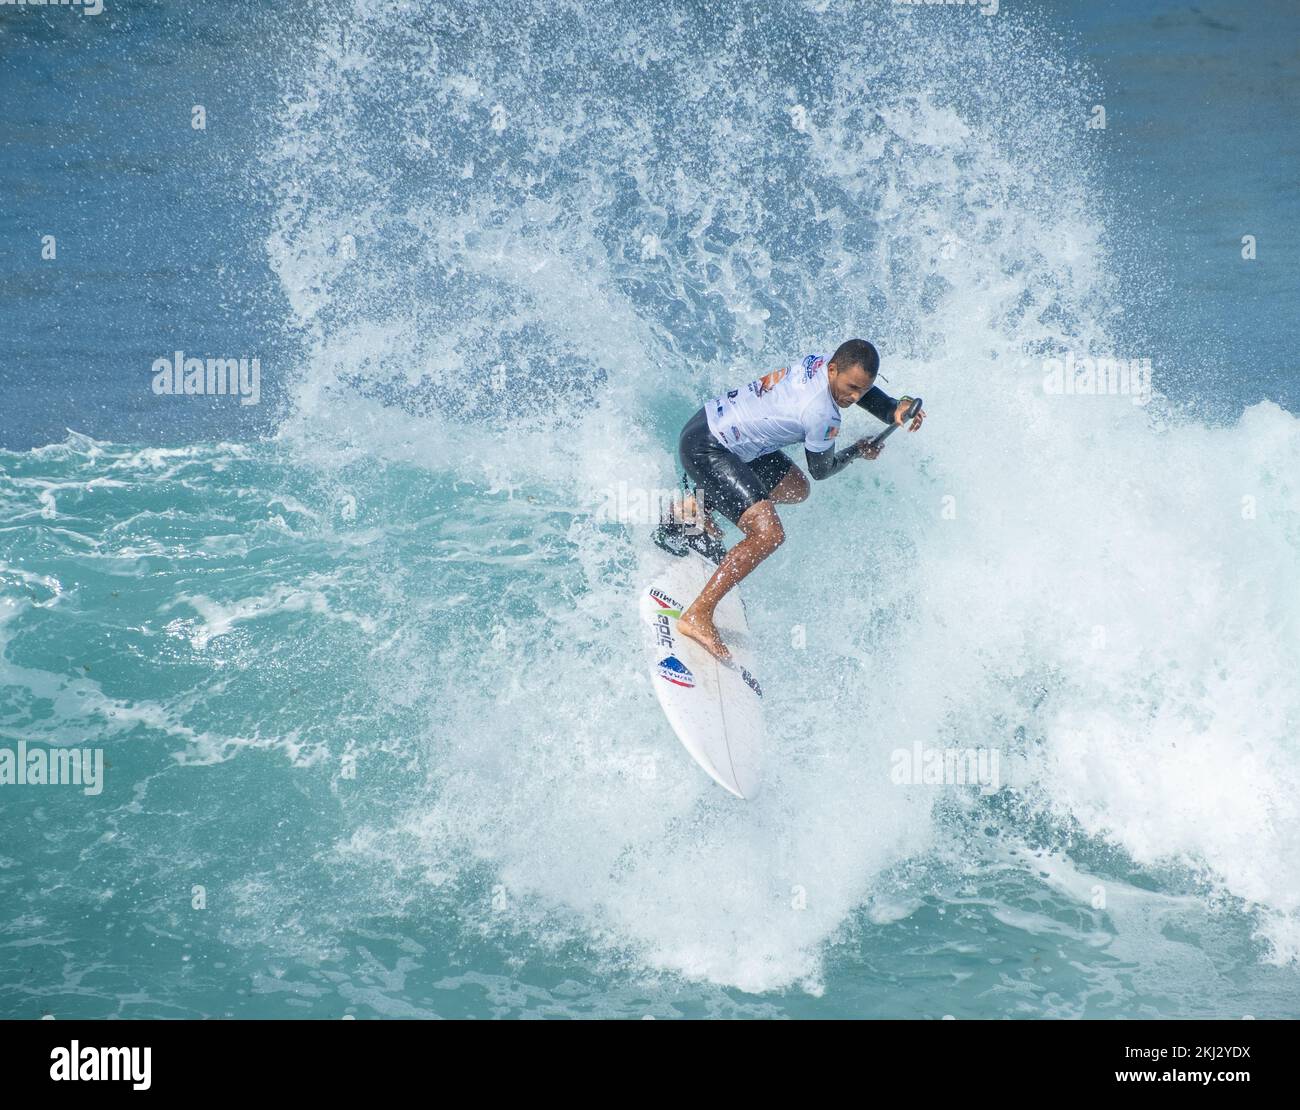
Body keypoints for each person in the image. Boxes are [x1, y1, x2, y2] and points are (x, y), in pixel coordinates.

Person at [664, 339, 925, 660]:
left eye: (862, 390)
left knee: (795, 488)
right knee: (768, 534)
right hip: (708, 449)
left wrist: (892, 408)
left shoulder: (823, 363)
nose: (854, 398)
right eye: (851, 388)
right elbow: (823, 469)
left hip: (706, 423)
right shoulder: (821, 414)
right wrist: (858, 450)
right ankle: (698, 615)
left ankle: (694, 509)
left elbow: (861, 389)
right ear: (834, 370)